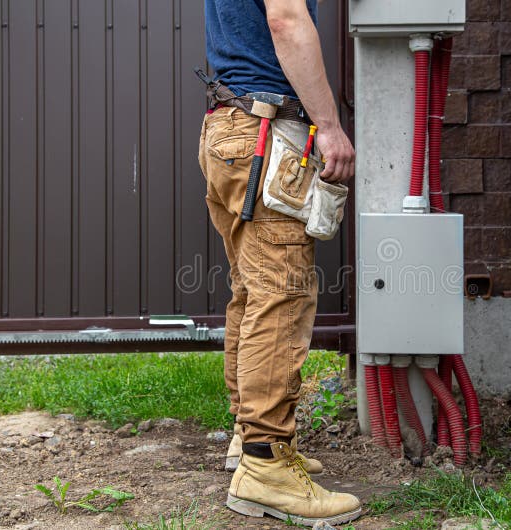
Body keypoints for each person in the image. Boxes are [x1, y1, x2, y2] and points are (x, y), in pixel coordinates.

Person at [199, 0, 360, 526]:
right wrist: (329, 127)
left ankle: (250, 439)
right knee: (281, 292)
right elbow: (286, 18)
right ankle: (265, 466)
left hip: (230, 125)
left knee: (252, 290)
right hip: (264, 131)